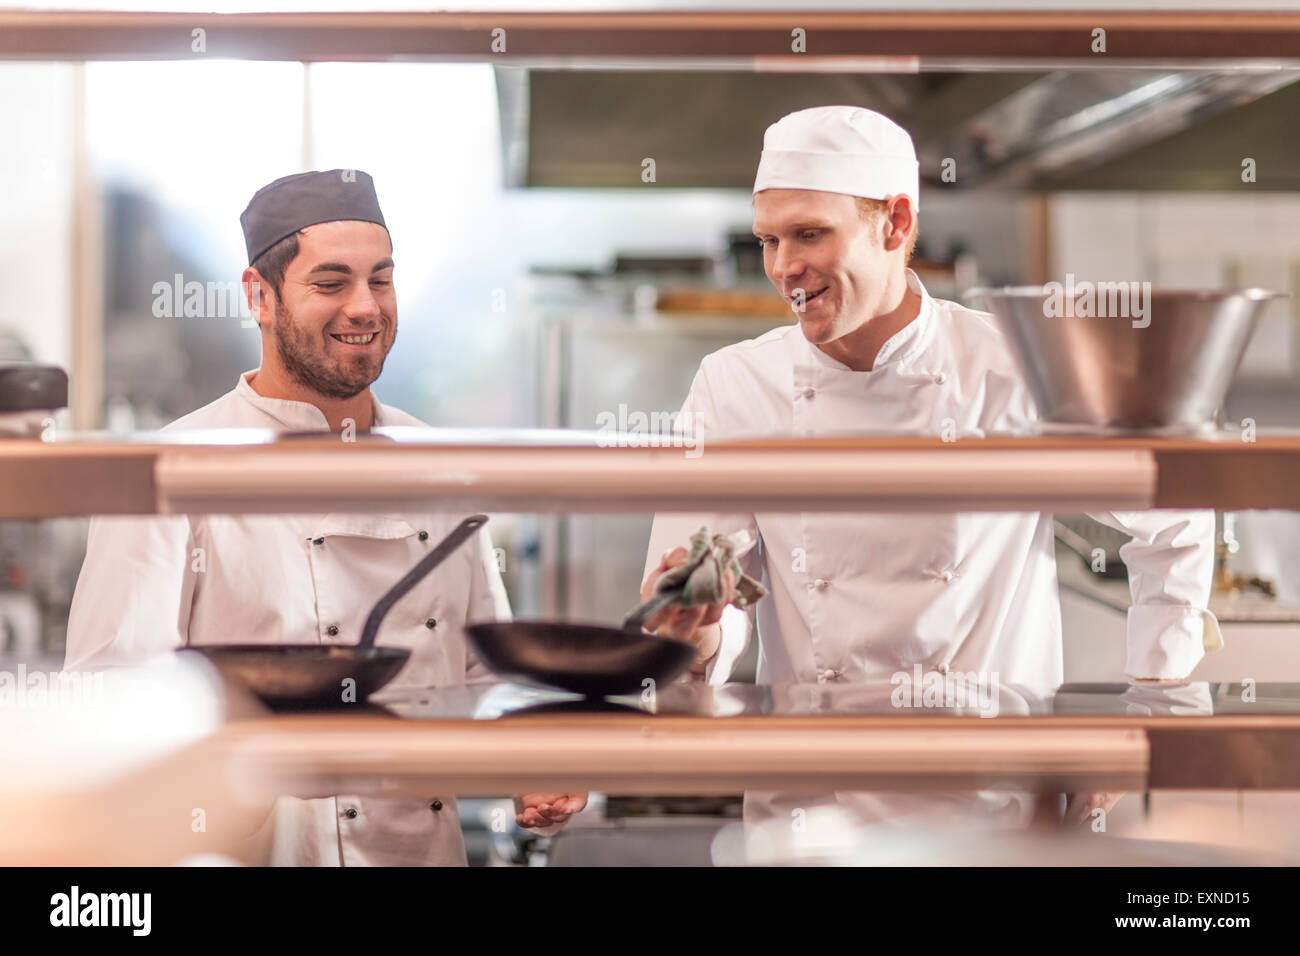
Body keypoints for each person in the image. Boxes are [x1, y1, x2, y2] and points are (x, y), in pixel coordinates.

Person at [640, 107, 1219, 833]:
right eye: (769, 240)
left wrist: (1149, 710)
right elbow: (704, 607)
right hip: (810, 816)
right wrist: (693, 642)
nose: (785, 267)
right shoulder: (734, 386)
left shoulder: (1015, 367)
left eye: (811, 234)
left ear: (896, 223)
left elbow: (1180, 504)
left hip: (994, 815)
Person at [66, 169, 584, 864]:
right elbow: (114, 695)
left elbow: (484, 675)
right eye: (331, 283)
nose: (365, 307)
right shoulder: (177, 468)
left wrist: (535, 769)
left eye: (381, 279)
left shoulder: (442, 465)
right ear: (260, 296)